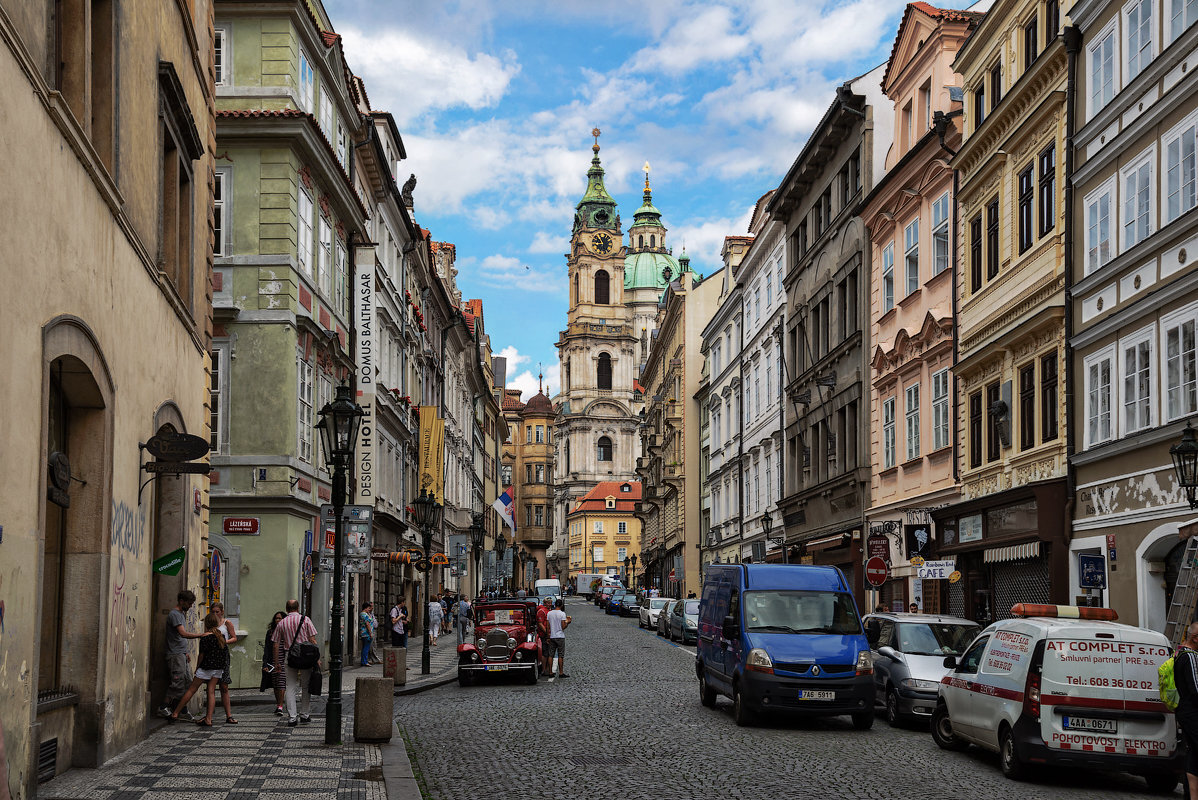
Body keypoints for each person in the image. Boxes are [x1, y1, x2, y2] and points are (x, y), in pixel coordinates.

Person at [167, 613, 225, 726]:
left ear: (207, 624)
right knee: (211, 692)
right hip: (217, 668)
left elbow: (201, 655)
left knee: (191, 689)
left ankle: (175, 714)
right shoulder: (220, 636)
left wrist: (197, 667)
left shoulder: (205, 637)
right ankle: (208, 719)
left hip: (206, 667)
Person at [158, 590, 206, 719]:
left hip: (181, 654)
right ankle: (163, 707)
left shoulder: (181, 614)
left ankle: (182, 709)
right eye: (189, 603)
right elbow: (183, 634)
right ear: (181, 601)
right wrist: (201, 635)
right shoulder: (175, 614)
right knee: (177, 682)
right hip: (175, 654)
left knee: (188, 682)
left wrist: (185, 653)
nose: (191, 606)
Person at [276, 599, 319, 726]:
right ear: (298, 607)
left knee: (290, 686)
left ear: (286, 608)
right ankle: (305, 715)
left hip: (290, 656)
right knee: (306, 685)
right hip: (306, 656)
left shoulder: (282, 623)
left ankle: (292, 717)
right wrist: (317, 658)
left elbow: (276, 643)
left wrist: (277, 661)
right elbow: (312, 639)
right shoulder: (305, 620)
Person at [1175, 621, 1198, 798]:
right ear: (1195, 638)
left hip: (1187, 711)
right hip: (1192, 713)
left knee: (1194, 753)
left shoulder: (1180, 653)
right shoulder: (1190, 657)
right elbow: (1196, 689)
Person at [210, 602, 238, 724]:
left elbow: (234, 637)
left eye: (217, 611)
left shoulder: (227, 623)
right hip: (211, 654)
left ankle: (229, 715)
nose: (215, 614)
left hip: (222, 653)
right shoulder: (210, 623)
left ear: (222, 611)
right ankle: (209, 715)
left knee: (224, 685)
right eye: (213, 611)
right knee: (210, 685)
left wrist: (224, 642)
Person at [260, 610, 287, 715]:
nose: (278, 620)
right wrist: (265, 663)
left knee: (281, 683)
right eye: (276, 618)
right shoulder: (270, 632)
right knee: (275, 684)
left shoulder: (286, 631)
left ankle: (280, 706)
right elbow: (267, 648)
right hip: (273, 660)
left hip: (284, 660)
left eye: (280, 618)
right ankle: (278, 704)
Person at [546, 599, 571, 679]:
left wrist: (548, 636)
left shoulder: (549, 613)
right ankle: (561, 672)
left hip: (552, 636)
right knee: (560, 655)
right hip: (560, 636)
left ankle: (550, 672)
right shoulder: (562, 614)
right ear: (561, 605)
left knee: (551, 654)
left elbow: (547, 626)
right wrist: (567, 622)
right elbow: (563, 626)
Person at [536, 596, 553, 674]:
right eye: (549, 603)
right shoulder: (541, 611)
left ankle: (548, 669)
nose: (550, 604)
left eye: (551, 603)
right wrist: (546, 632)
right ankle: (543, 669)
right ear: (545, 603)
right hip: (544, 634)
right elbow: (540, 623)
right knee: (545, 652)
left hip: (549, 634)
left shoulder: (548, 610)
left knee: (549, 652)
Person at [359, 602, 376, 667]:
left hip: (365, 633)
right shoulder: (364, 615)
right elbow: (367, 624)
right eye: (368, 608)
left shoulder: (365, 614)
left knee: (365, 647)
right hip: (366, 634)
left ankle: (364, 660)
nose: (369, 609)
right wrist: (370, 633)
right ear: (365, 608)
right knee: (366, 648)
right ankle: (364, 661)